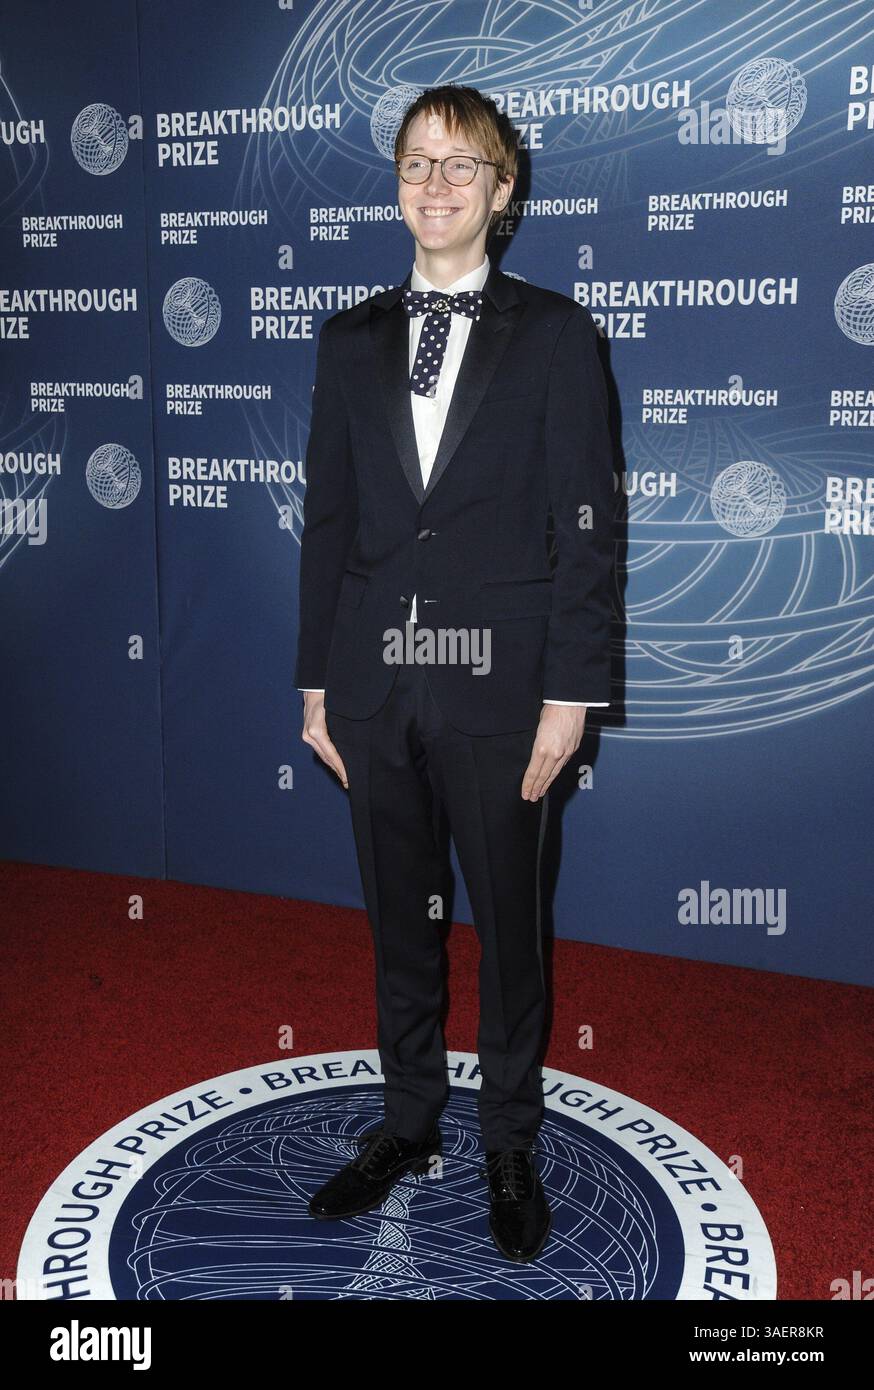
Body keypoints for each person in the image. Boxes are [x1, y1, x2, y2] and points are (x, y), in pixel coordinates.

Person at [295, 83, 614, 1263]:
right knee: (400, 920)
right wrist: (318, 683)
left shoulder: (558, 336)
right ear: (396, 184)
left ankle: (510, 1140)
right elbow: (329, 523)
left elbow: (586, 530)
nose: (434, 186)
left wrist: (570, 694)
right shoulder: (348, 339)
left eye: (460, 167)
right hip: (376, 685)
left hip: (502, 686)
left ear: (504, 190)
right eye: (415, 164)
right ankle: (408, 1119)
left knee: (511, 925)